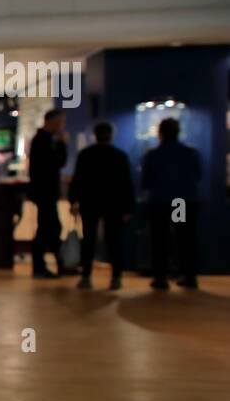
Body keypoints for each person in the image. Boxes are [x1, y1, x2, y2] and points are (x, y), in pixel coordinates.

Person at [68, 122, 134, 290]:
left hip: (90, 201)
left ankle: (86, 276)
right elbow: (126, 183)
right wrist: (128, 207)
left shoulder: (86, 155)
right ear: (111, 135)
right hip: (114, 203)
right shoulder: (119, 156)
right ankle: (116, 276)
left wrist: (73, 200)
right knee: (114, 240)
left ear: (95, 135)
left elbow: (78, 180)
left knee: (88, 239)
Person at [142, 117, 201, 290]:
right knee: (184, 237)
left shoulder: (152, 154)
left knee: (159, 239)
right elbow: (197, 175)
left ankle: (161, 277)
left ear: (160, 133)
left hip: (160, 201)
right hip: (181, 201)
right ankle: (188, 275)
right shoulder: (190, 153)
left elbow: (146, 181)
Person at [28, 109, 68, 278]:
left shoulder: (42, 140)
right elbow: (58, 162)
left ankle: (56, 264)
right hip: (45, 192)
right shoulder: (43, 141)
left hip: (44, 192)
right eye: (60, 122)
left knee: (50, 227)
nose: (61, 126)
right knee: (47, 228)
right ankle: (41, 266)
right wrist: (62, 143)